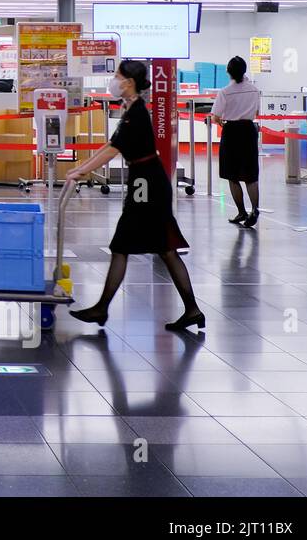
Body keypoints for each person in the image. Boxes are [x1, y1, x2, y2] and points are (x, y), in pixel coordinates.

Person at [66, 60, 204, 332]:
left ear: (128, 82)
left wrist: (81, 171)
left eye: (117, 76)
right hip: (146, 181)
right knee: (162, 249)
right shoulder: (129, 108)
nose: (114, 81)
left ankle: (102, 309)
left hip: (147, 185)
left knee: (126, 245)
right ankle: (191, 310)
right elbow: (110, 144)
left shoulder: (137, 112)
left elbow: (113, 150)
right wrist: (81, 169)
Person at [211, 55, 262, 228]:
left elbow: (216, 116)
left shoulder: (225, 92)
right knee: (250, 175)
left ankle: (241, 211)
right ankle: (255, 209)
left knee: (232, 175)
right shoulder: (254, 90)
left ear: (228, 72)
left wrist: (221, 121)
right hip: (248, 130)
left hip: (231, 132)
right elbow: (256, 112)